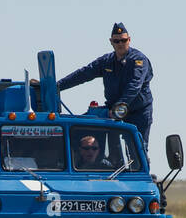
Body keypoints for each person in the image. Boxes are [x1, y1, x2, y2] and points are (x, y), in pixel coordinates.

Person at [57, 22, 154, 153]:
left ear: (129, 40)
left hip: (138, 112)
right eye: (117, 41)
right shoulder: (106, 61)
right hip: (113, 111)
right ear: (111, 42)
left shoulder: (138, 61)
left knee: (138, 148)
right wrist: (57, 86)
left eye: (124, 40)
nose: (120, 44)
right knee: (86, 132)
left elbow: (134, 86)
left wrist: (119, 107)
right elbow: (83, 74)